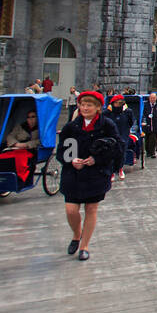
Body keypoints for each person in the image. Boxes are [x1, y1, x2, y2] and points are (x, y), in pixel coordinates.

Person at [59, 91, 121, 261]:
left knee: (91, 209)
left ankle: (84, 245)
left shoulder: (107, 125)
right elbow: (63, 150)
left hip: (96, 174)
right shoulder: (72, 126)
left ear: (98, 108)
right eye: (83, 105)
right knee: (71, 210)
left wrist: (97, 159)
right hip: (74, 174)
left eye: (89, 105)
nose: (85, 108)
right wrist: (72, 160)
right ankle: (76, 234)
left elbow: (116, 148)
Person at [0, 106, 42, 186]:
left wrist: (26, 145)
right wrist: (16, 144)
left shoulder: (41, 128)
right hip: (16, 147)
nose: (30, 119)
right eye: (28, 117)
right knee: (0, 158)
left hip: (30, 150)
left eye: (33, 117)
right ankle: (0, 179)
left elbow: (40, 141)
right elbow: (10, 136)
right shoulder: (20, 126)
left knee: (20, 161)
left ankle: (20, 181)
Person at [106, 95, 135, 181]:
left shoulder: (128, 112)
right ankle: (111, 171)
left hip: (123, 135)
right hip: (111, 136)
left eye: (120, 103)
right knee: (111, 153)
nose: (118, 105)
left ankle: (120, 169)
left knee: (121, 153)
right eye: (116, 103)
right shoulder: (108, 113)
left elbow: (131, 122)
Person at [141, 92, 157, 158]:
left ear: (156, 98)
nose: (152, 99)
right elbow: (143, 113)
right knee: (147, 138)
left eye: (154, 98)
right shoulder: (145, 104)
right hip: (147, 123)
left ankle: (152, 152)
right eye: (151, 98)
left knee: (153, 138)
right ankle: (148, 151)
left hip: (155, 124)